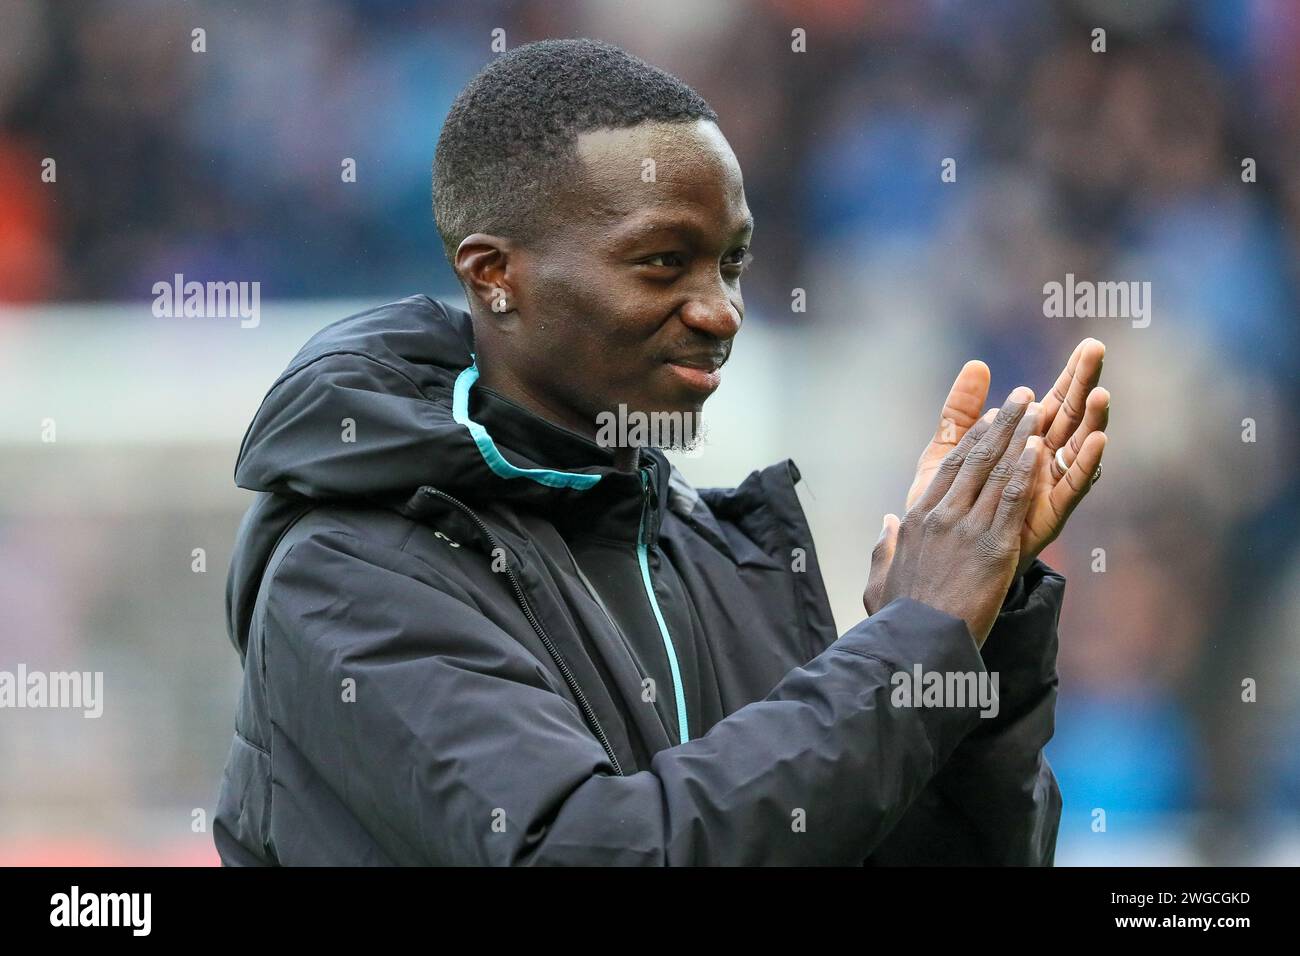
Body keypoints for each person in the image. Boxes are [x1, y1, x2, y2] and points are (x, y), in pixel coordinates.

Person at [213, 38, 1109, 866]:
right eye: (661, 262)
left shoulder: (715, 553)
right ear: (496, 275)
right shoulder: (349, 573)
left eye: (731, 262)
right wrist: (913, 641)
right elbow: (592, 851)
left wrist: (977, 624)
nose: (720, 310)